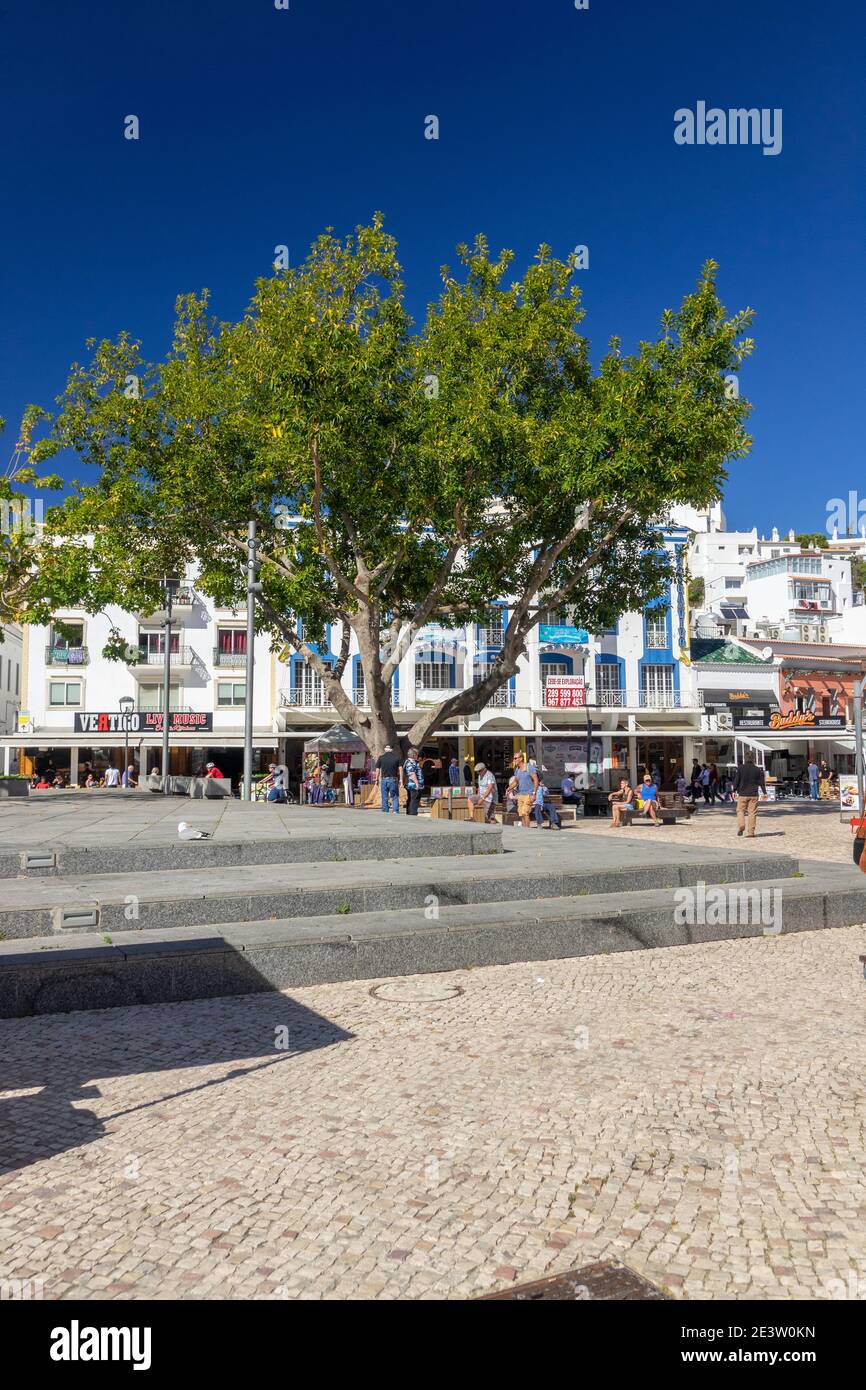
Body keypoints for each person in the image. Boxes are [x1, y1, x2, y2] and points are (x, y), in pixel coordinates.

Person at [733, 754, 766, 837]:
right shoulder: (758, 769)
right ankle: (751, 832)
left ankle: (741, 825)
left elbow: (736, 780)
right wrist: (765, 793)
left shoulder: (740, 768)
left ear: (745, 758)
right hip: (754, 794)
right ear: (754, 759)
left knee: (740, 811)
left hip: (743, 794)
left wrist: (734, 790)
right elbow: (761, 783)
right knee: (752, 813)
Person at [511, 754, 539, 828]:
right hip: (520, 795)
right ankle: (524, 830)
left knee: (525, 813)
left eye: (515, 758)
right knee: (521, 814)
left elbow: (536, 780)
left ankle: (527, 830)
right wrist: (509, 788)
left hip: (528, 794)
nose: (514, 760)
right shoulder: (517, 770)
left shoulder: (529, 767)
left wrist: (534, 793)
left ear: (521, 758)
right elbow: (516, 782)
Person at [375, 743, 402, 814]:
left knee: (384, 796)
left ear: (385, 749)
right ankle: (395, 810)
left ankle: (385, 810)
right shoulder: (397, 757)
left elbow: (377, 769)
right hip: (393, 779)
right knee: (395, 796)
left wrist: (376, 779)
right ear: (392, 750)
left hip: (384, 780)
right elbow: (400, 769)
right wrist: (401, 779)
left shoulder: (381, 757)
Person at [403, 746, 425, 815]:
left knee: (411, 799)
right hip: (413, 785)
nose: (417, 756)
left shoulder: (410, 762)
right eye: (417, 754)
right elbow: (412, 773)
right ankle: (412, 814)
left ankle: (410, 813)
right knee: (414, 800)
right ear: (413, 755)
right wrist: (417, 784)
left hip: (411, 784)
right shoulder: (410, 762)